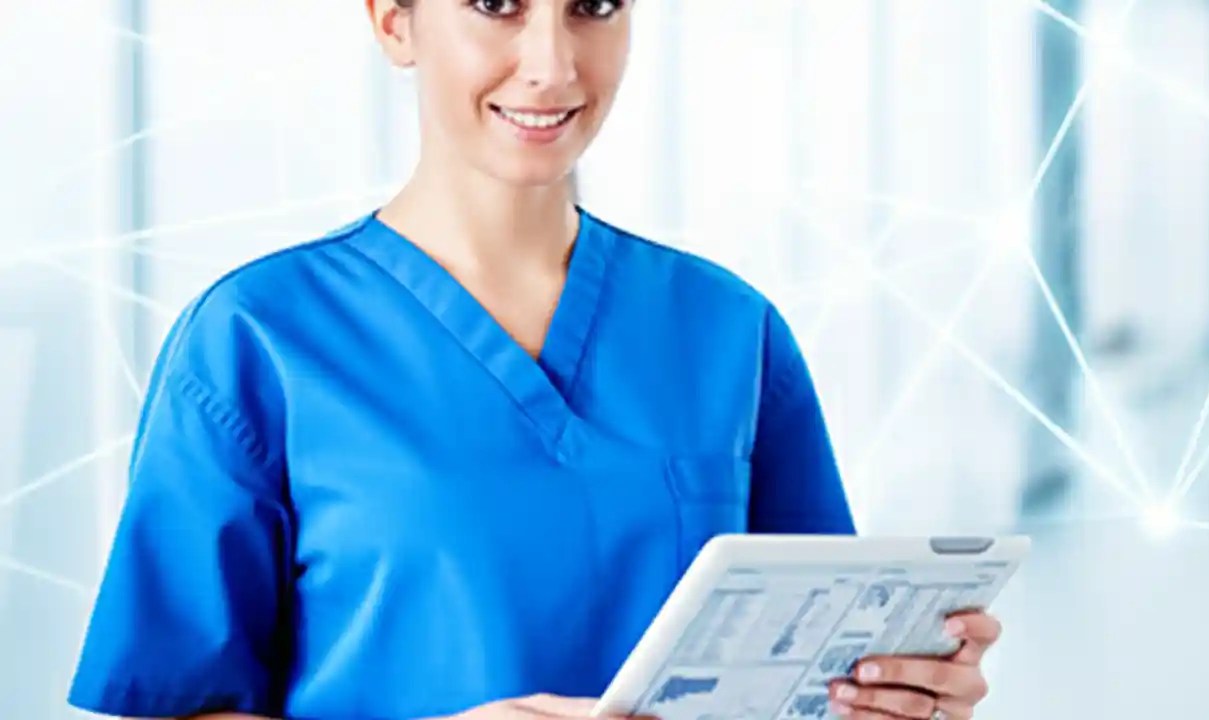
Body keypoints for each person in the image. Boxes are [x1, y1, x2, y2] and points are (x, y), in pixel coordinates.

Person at [66, 1, 1003, 719]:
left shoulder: (728, 329)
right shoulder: (258, 338)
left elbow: (810, 674)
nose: (553, 63)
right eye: (495, 1)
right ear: (394, 21)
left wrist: (897, 694)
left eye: (593, 5)